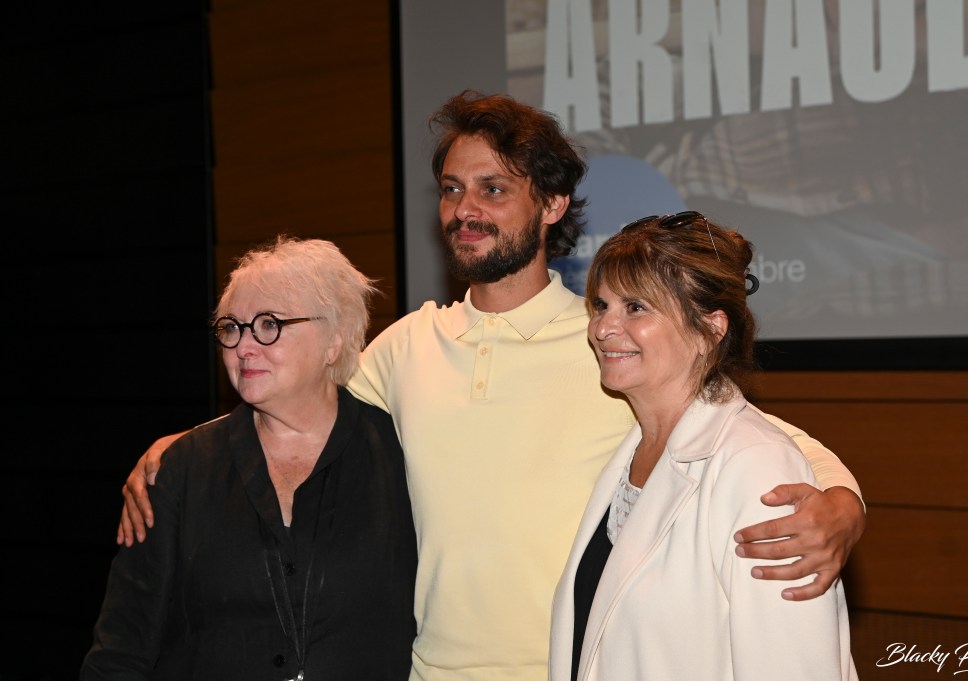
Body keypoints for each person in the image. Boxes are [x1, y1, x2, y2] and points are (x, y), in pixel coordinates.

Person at [116, 91, 865, 681]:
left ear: (550, 205)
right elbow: (300, 407)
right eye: (450, 189)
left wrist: (841, 506)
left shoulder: (608, 342)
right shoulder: (406, 346)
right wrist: (175, 448)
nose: (463, 210)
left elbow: (766, 441)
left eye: (491, 188)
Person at [82, 236, 417, 680]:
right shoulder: (180, 470)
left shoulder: (398, 454)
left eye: (269, 324)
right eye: (232, 328)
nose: (244, 346)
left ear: (334, 342)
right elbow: (120, 652)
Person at [548, 212, 857, 681]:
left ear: (710, 329)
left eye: (635, 307)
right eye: (601, 304)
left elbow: (795, 667)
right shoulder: (632, 449)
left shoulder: (757, 469)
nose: (602, 328)